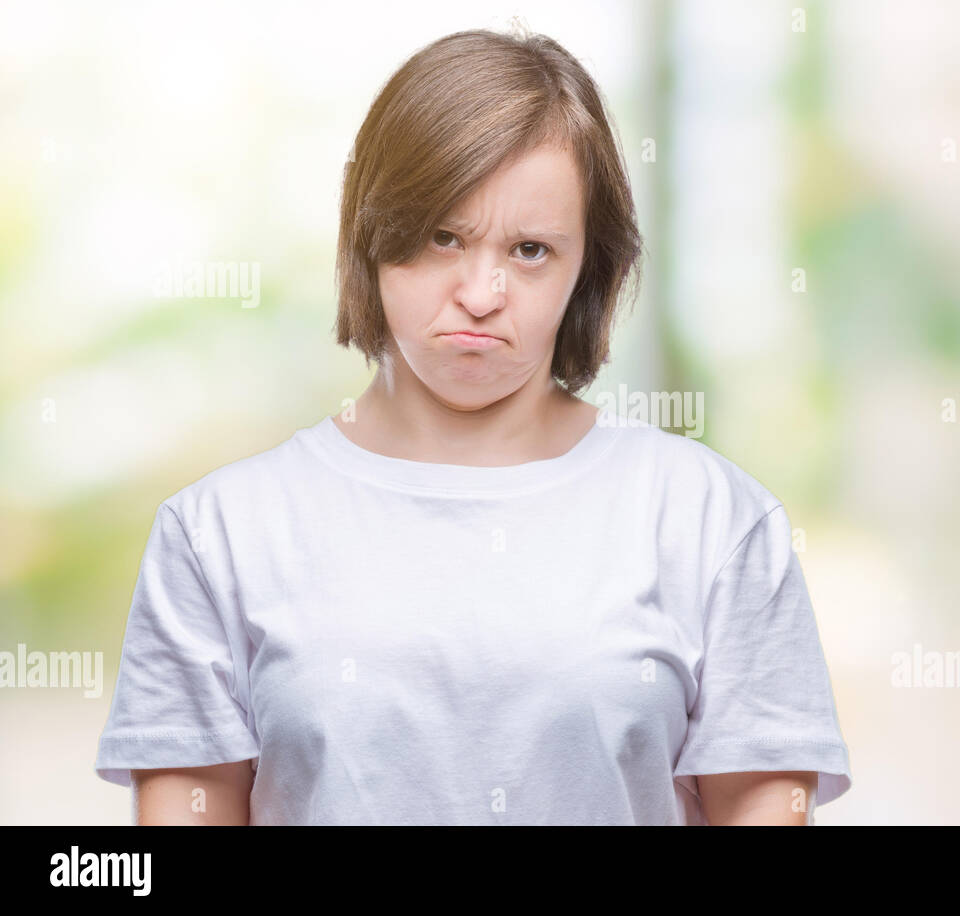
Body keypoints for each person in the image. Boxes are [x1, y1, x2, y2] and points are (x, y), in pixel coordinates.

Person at [93, 27, 851, 825]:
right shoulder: (219, 536)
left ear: (587, 267)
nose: (482, 292)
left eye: (529, 250)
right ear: (372, 235)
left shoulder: (710, 521)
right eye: (442, 236)